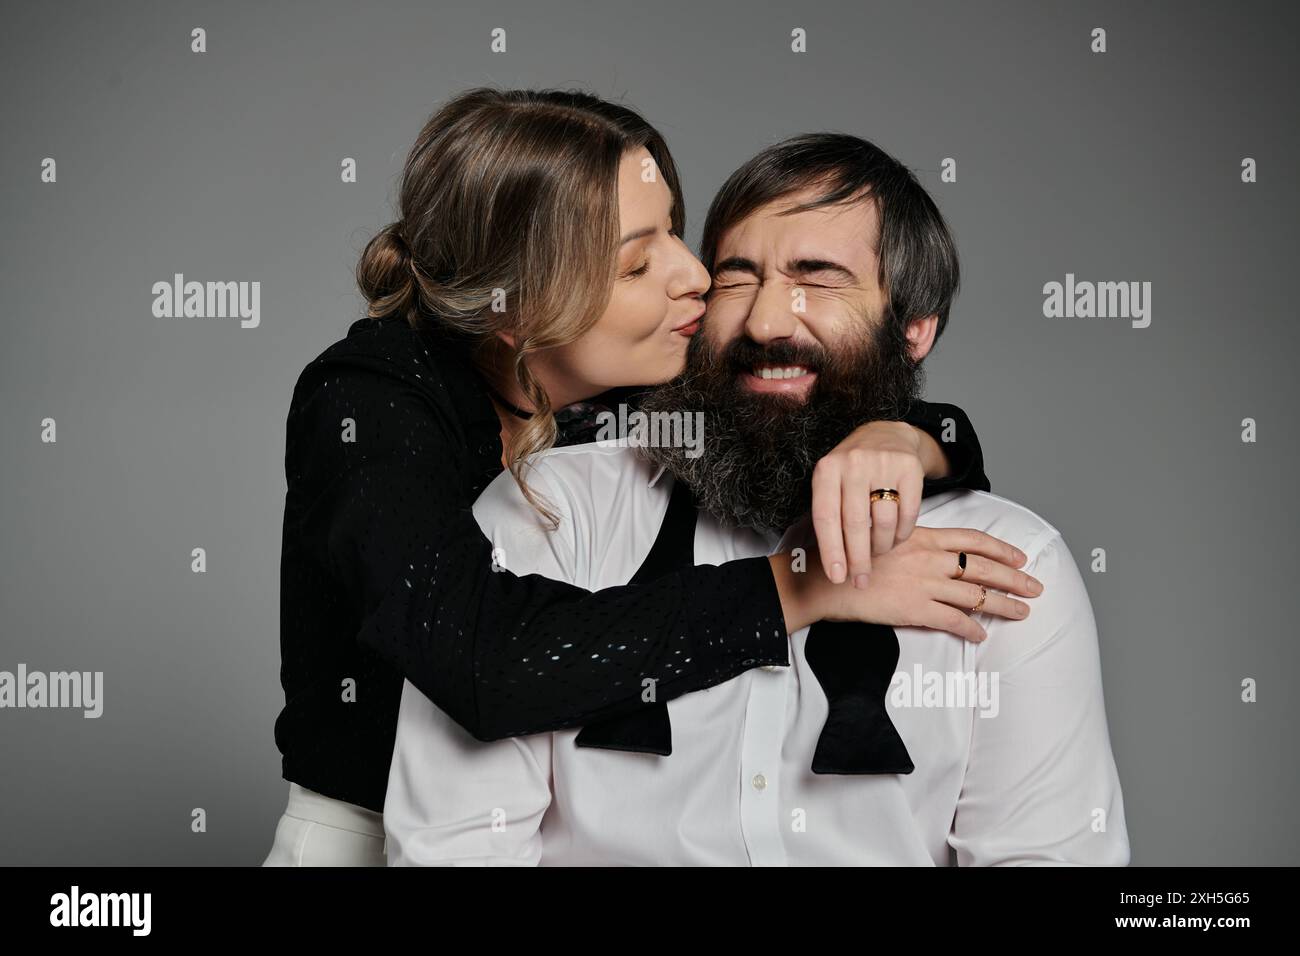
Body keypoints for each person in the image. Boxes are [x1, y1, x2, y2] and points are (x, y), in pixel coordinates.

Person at [264, 89, 1030, 866]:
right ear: (518, 306)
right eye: (638, 262)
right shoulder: (366, 402)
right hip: (365, 843)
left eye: (672, 230)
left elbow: (809, 403)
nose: (696, 275)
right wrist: (797, 588)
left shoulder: (626, 394)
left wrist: (905, 438)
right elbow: (485, 664)